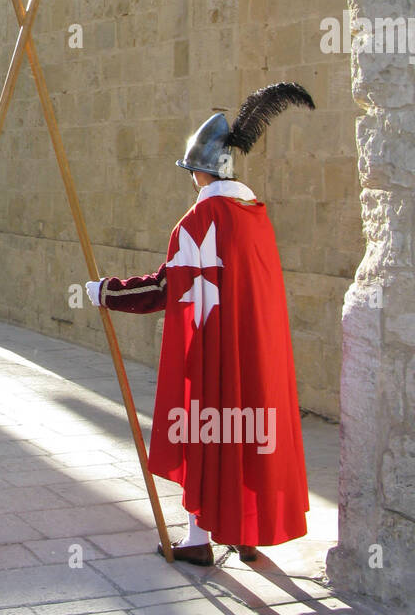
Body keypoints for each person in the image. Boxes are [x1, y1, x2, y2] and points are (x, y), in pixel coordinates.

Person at [86, 83, 315, 566]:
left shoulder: (199, 221)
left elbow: (167, 289)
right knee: (248, 434)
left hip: (211, 356)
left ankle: (197, 539)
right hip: (255, 356)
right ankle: (243, 531)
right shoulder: (256, 217)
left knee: (203, 436)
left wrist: (107, 292)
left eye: (191, 171)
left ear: (200, 172)